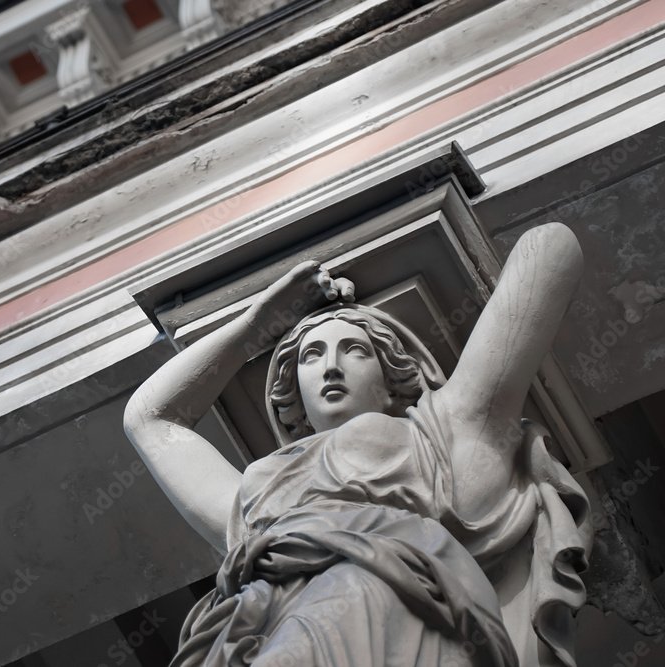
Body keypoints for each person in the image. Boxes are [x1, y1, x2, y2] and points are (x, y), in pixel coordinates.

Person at [124, 223, 592, 666]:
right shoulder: (256, 490)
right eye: (311, 355)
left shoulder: (442, 433)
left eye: (355, 349)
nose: (330, 366)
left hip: (370, 608)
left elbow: (550, 247)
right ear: (293, 399)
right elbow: (148, 419)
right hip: (247, 630)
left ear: (393, 383)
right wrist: (257, 324)